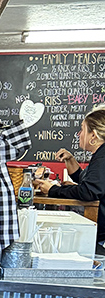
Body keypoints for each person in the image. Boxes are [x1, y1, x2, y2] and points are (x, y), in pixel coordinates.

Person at [35, 108, 105, 253]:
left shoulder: (102, 157)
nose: (79, 134)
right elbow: (87, 182)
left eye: (82, 129)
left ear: (94, 136)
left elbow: (88, 192)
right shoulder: (100, 155)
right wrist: (70, 160)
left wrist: (53, 190)